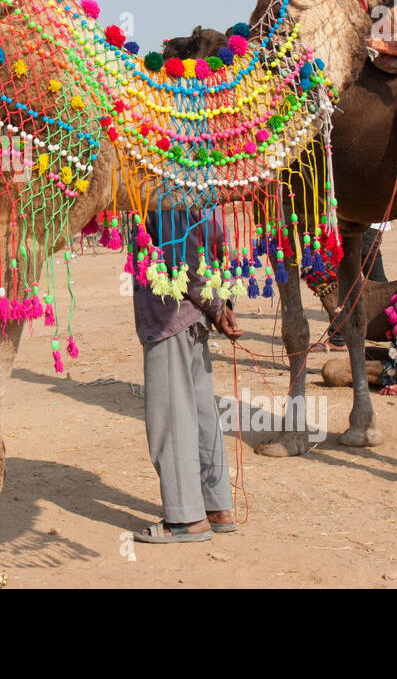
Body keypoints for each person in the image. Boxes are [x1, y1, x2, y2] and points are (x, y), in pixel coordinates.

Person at [132, 209, 244, 544]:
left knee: (172, 414)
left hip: (171, 318)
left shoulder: (164, 188)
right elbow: (213, 248)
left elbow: (185, 254)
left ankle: (186, 518)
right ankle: (216, 507)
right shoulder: (199, 185)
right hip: (194, 315)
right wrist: (220, 304)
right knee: (199, 409)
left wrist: (219, 307)